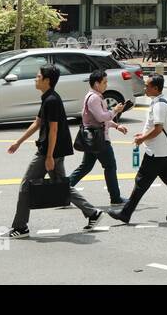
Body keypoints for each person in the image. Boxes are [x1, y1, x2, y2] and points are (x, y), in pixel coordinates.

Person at [6, 64, 103, 237]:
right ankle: (92, 213)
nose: (35, 79)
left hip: (49, 152)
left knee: (26, 186)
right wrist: (18, 142)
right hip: (55, 150)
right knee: (60, 185)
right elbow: (37, 123)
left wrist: (49, 156)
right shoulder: (48, 98)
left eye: (38, 76)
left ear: (47, 80)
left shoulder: (51, 100)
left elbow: (53, 129)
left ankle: (20, 227)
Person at [109, 74, 167, 224]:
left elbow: (158, 128)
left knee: (141, 182)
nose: (145, 88)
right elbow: (156, 127)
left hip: (156, 153)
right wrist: (144, 134)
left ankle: (125, 213)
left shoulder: (159, 105)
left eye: (147, 85)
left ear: (155, 88)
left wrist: (142, 138)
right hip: (164, 152)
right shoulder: (158, 102)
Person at [68, 69, 130, 204]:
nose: (106, 85)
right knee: (110, 166)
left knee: (86, 166)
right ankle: (115, 198)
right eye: (104, 82)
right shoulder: (94, 98)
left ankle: (63, 191)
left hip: (93, 138)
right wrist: (115, 110)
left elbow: (102, 117)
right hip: (99, 139)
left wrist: (116, 126)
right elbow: (101, 117)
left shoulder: (95, 96)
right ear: (96, 84)